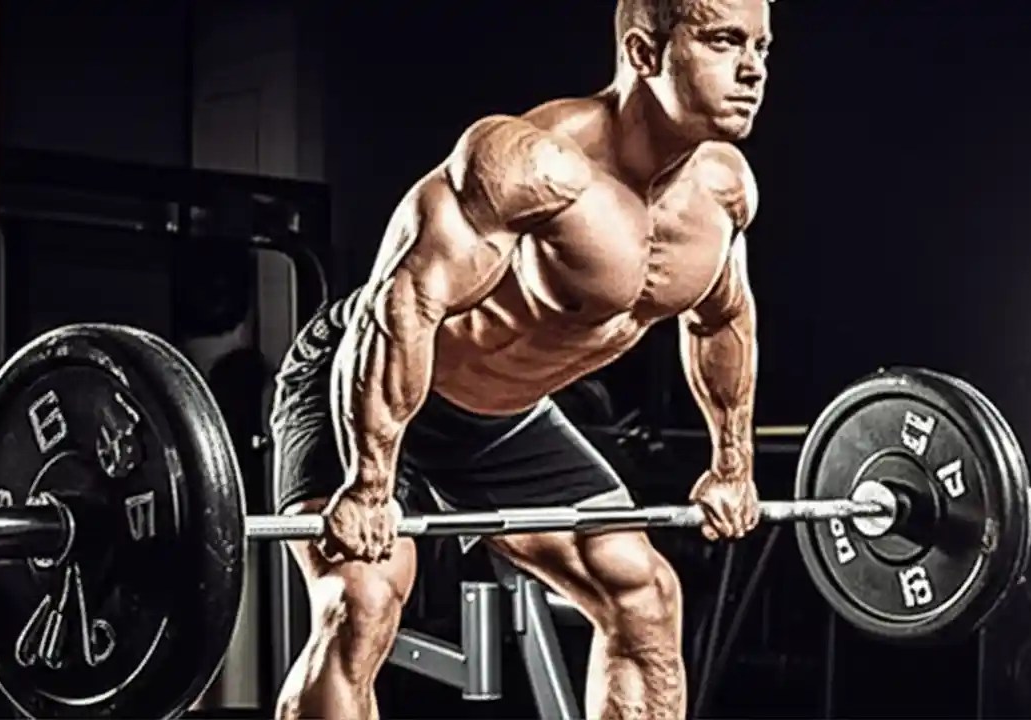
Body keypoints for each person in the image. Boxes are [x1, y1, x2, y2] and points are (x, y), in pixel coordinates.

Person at [270, 0, 772, 717]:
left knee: (645, 595)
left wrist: (732, 465)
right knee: (363, 602)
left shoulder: (723, 194)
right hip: (362, 378)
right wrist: (369, 482)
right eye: (724, 41)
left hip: (498, 418)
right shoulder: (534, 164)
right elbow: (402, 306)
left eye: (761, 46)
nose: (753, 68)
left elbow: (723, 319)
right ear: (643, 52)